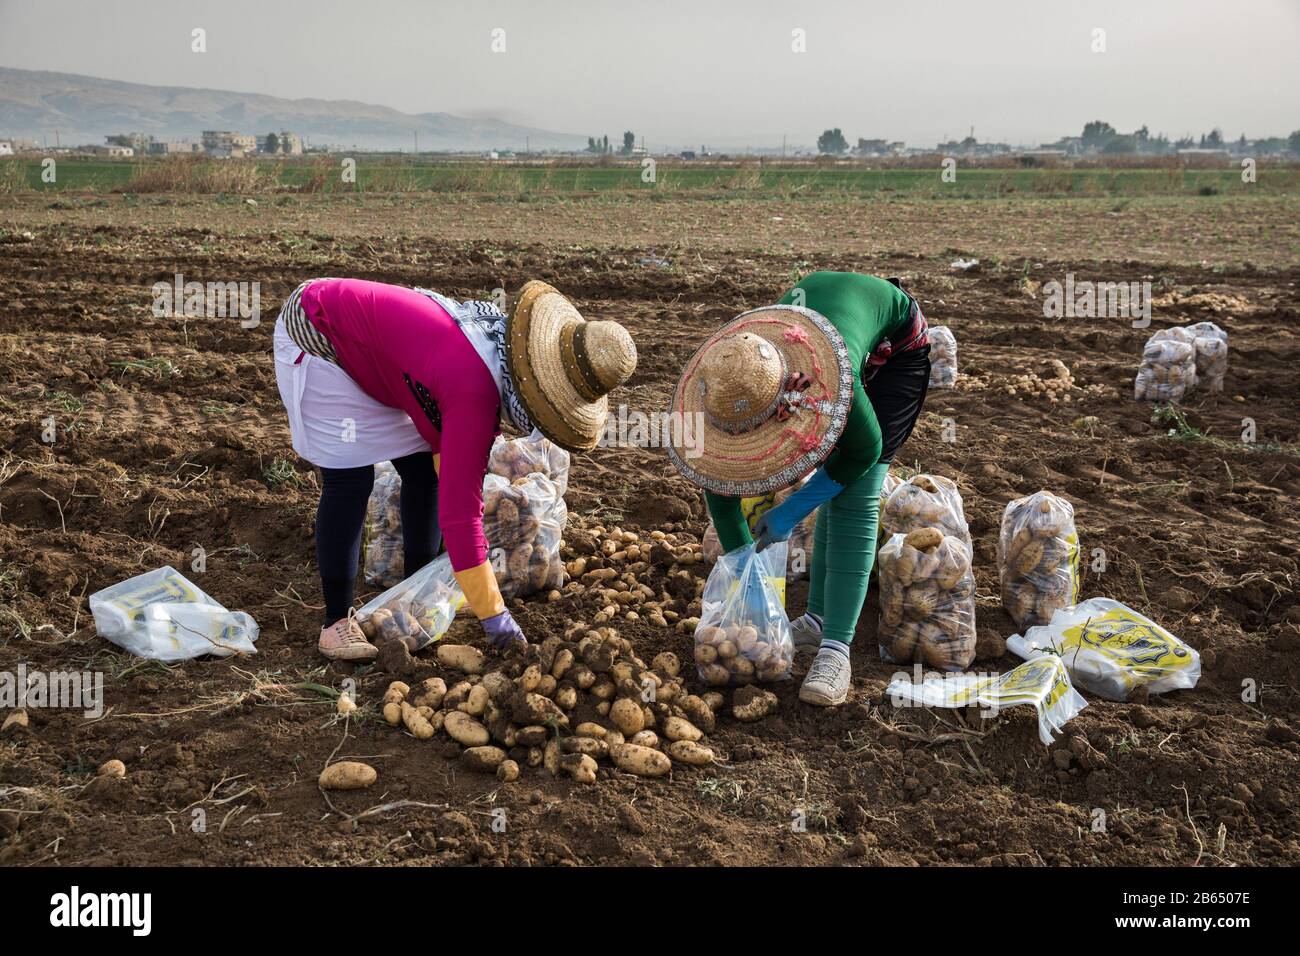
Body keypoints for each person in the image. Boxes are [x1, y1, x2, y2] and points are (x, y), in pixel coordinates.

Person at [272, 278, 637, 661]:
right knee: (350, 478)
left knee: (422, 474)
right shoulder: (474, 393)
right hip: (317, 332)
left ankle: (417, 594)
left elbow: (449, 469)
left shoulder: (495, 346)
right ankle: (335, 624)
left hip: (378, 355)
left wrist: (455, 576)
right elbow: (460, 518)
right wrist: (495, 617)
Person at [666, 272, 931, 705]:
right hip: (825, 317)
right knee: (832, 473)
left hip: (896, 349)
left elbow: (863, 451)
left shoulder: (826, 379)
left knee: (856, 489)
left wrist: (792, 512)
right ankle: (817, 618)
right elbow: (720, 487)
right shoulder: (729, 371)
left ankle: (835, 651)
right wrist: (746, 584)